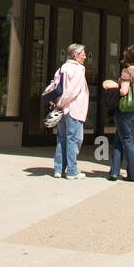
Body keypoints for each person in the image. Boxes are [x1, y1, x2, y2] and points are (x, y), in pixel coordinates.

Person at [107, 45, 134, 182]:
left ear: (127, 57)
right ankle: (114, 172)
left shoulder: (126, 72)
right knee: (119, 140)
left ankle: (133, 173)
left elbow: (124, 91)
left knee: (127, 140)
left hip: (124, 111)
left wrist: (115, 86)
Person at [45, 42, 89, 179]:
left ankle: (58, 169)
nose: (85, 57)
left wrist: (58, 104)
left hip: (63, 109)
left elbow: (55, 87)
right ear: (76, 56)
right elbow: (72, 91)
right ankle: (72, 170)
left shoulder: (61, 68)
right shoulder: (79, 70)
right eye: (83, 54)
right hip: (74, 108)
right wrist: (62, 103)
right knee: (74, 139)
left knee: (62, 138)